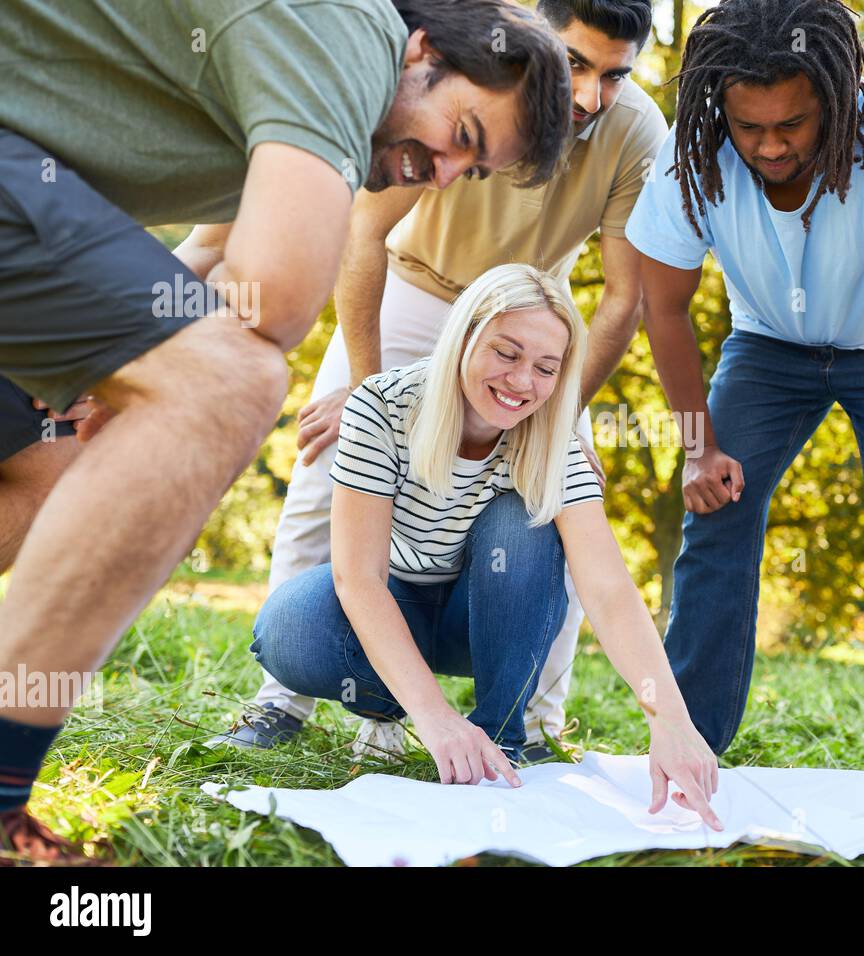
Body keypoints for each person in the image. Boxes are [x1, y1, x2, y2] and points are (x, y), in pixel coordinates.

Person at [0, 0, 572, 864]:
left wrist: (124, 379)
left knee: (46, 467)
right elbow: (271, 293)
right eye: (460, 130)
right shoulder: (343, 34)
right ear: (423, 48)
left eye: (472, 168)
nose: (443, 172)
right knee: (231, 378)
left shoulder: (300, 105)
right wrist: (157, 373)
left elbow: (201, 259)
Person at [217, 0, 667, 762]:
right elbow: (365, 230)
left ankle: (531, 722)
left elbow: (624, 295)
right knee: (325, 472)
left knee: (553, 503)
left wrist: (558, 416)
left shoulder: (635, 133)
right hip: (413, 291)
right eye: (576, 65)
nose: (590, 97)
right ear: (535, 32)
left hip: (526, 322)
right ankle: (279, 703)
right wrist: (367, 393)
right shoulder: (476, 82)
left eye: (615, 75)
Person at [625, 0, 864, 774]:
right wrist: (697, 449)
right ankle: (687, 745)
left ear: (835, 98)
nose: (771, 145)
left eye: (793, 123)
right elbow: (666, 308)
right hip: (767, 348)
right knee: (714, 514)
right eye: (751, 128)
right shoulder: (691, 155)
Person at [252, 263, 722, 826]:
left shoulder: (554, 441)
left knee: (520, 520)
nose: (523, 382)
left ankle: (502, 736)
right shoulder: (382, 406)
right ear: (465, 337)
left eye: (546, 368)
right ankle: (389, 710)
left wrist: (669, 719)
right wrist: (435, 718)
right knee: (289, 628)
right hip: (391, 601)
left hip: (481, 621)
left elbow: (609, 590)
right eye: (507, 353)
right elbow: (359, 578)